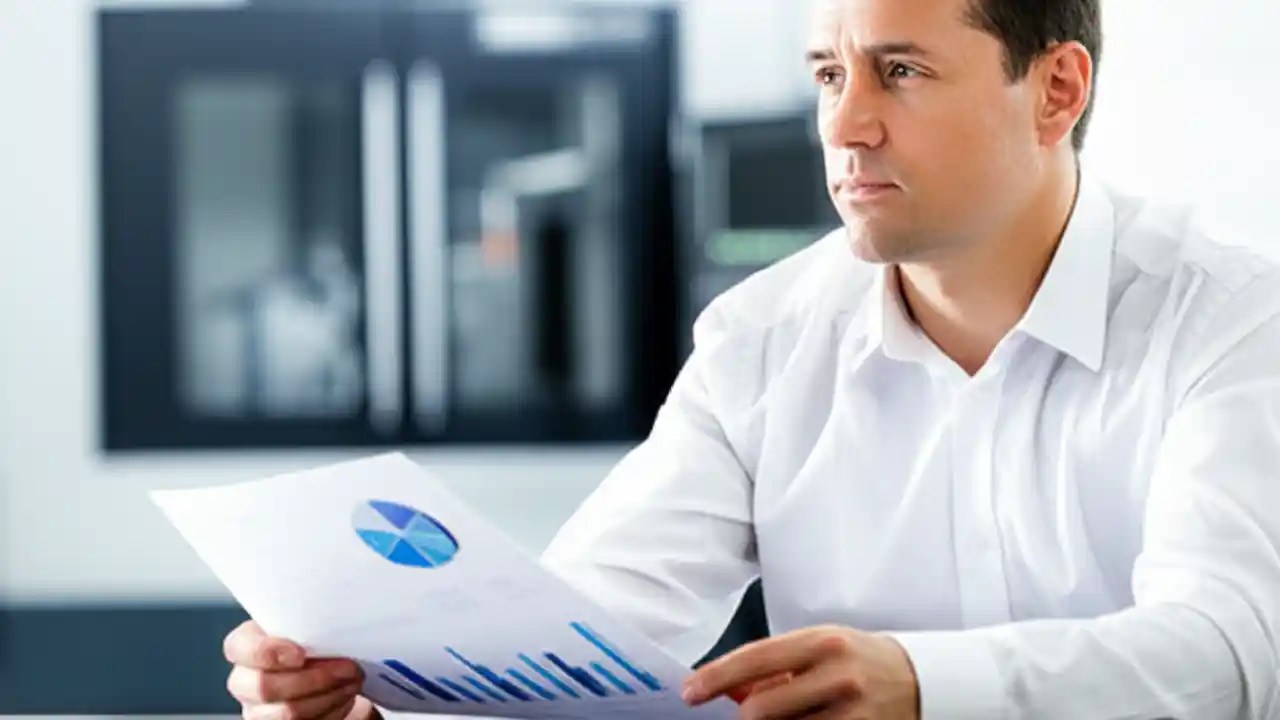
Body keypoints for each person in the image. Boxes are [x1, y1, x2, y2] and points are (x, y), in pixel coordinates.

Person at [221, 0, 1280, 717]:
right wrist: (381, 689)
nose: (844, 123)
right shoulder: (761, 340)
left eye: (899, 72)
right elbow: (589, 635)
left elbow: (1230, 652)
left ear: (1055, 89)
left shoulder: (1225, 320)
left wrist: (920, 685)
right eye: (828, 72)